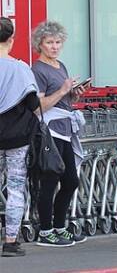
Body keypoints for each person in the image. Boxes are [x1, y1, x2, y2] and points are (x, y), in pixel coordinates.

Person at [31, 20, 88, 247]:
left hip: (66, 129)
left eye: (57, 42)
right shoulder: (37, 70)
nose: (54, 46)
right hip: (49, 132)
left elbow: (63, 99)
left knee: (71, 181)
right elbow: (38, 106)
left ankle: (60, 226)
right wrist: (63, 90)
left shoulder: (60, 66)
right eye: (49, 42)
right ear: (40, 45)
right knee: (49, 181)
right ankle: (45, 230)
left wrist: (73, 95)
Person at [0, 17, 40, 257]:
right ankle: (10, 241)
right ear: (11, 40)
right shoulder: (20, 68)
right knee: (15, 187)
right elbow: (34, 103)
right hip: (17, 138)